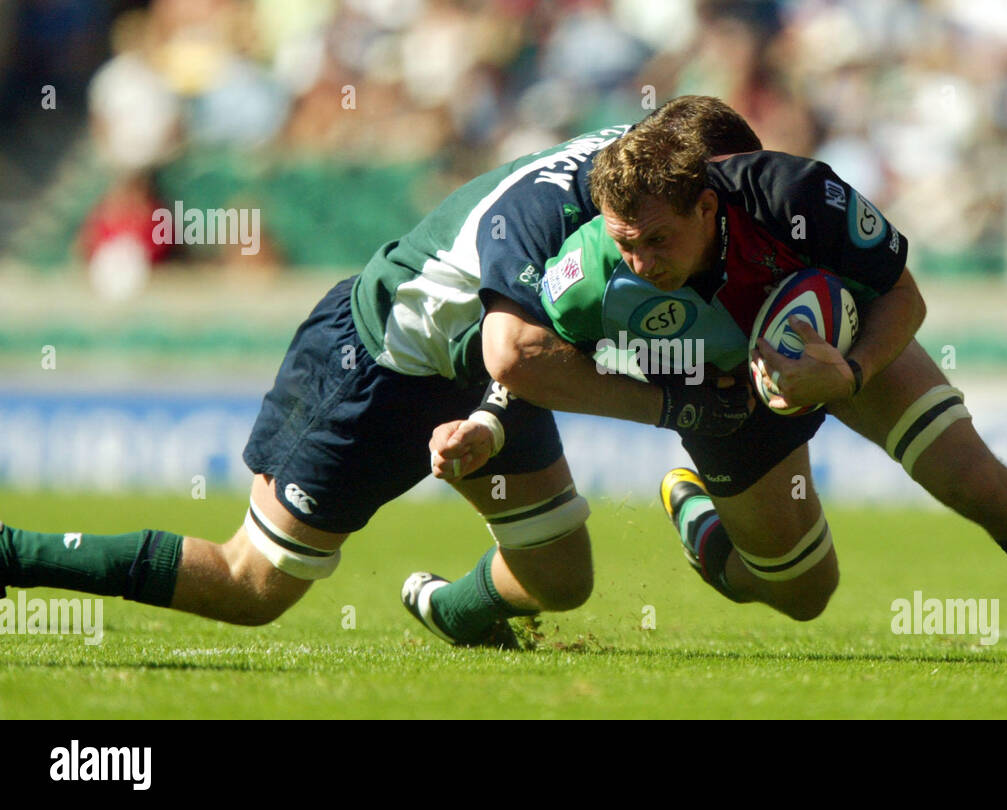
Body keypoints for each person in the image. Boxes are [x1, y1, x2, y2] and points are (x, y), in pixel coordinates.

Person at [439, 100, 1007, 665]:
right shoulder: (592, 271)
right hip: (726, 403)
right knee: (800, 593)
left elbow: (904, 296)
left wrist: (847, 368)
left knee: (981, 484)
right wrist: (488, 422)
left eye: (657, 241)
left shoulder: (797, 197)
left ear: (711, 203)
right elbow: (533, 357)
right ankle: (697, 512)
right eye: (625, 242)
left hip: (840, 341)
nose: (640, 259)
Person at [0, 109, 753, 649]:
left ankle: (449, 614)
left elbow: (535, 343)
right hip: (378, 361)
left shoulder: (636, 169)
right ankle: (10, 553)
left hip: (484, 357)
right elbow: (520, 353)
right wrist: (678, 405)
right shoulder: (561, 218)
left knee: (559, 579)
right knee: (249, 585)